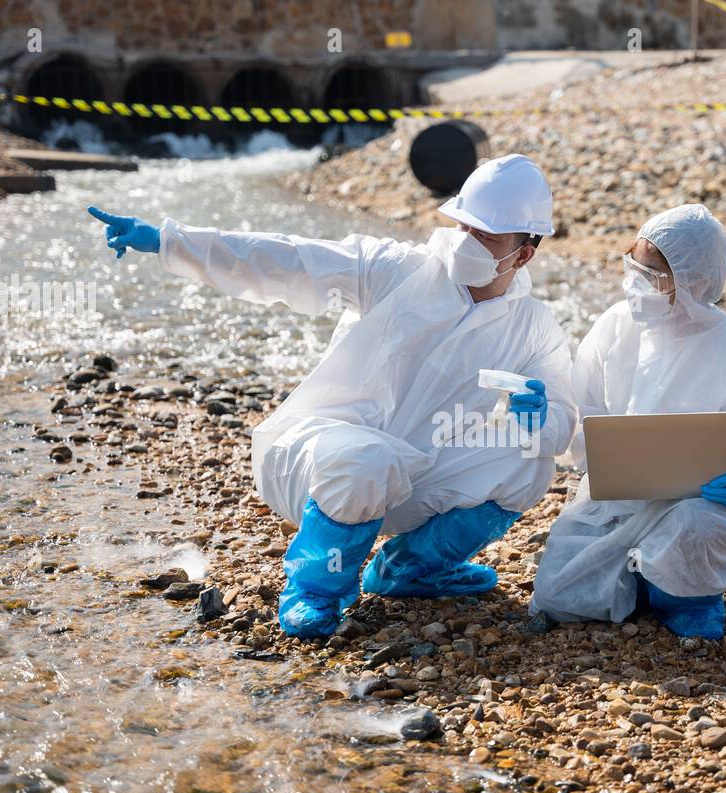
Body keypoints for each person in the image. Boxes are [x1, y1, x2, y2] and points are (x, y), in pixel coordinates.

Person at [87, 154, 576, 640]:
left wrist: (539, 417)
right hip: (316, 460)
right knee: (368, 459)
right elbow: (287, 260)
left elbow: (561, 423)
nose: (466, 242)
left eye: (486, 237)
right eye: (463, 227)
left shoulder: (533, 329)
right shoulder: (396, 270)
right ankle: (314, 590)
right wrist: (171, 241)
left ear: (524, 253)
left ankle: (411, 571)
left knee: (528, 463)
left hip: (412, 478)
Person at [530, 204, 726, 642]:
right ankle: (645, 579)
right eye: (633, 266)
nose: (636, 284)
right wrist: (546, 417)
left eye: (653, 275)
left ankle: (687, 599)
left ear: (694, 282)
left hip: (694, 507)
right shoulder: (616, 327)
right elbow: (583, 421)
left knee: (701, 526)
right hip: (617, 501)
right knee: (557, 596)